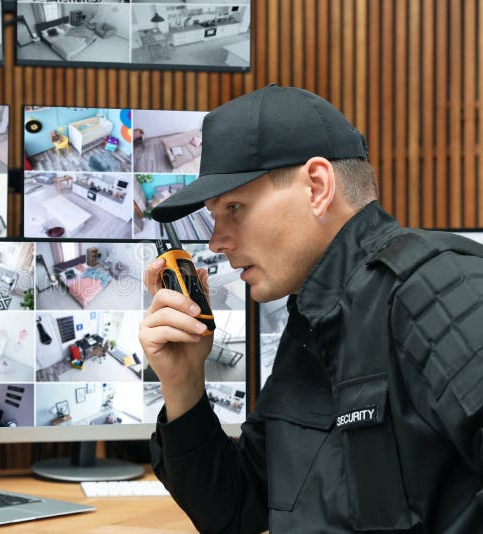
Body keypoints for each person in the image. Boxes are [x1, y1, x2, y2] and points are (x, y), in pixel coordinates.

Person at [139, 84, 483, 533]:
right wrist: (183, 383)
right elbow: (234, 510)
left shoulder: (436, 286)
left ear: (317, 187)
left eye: (234, 208)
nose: (215, 240)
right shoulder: (310, 318)